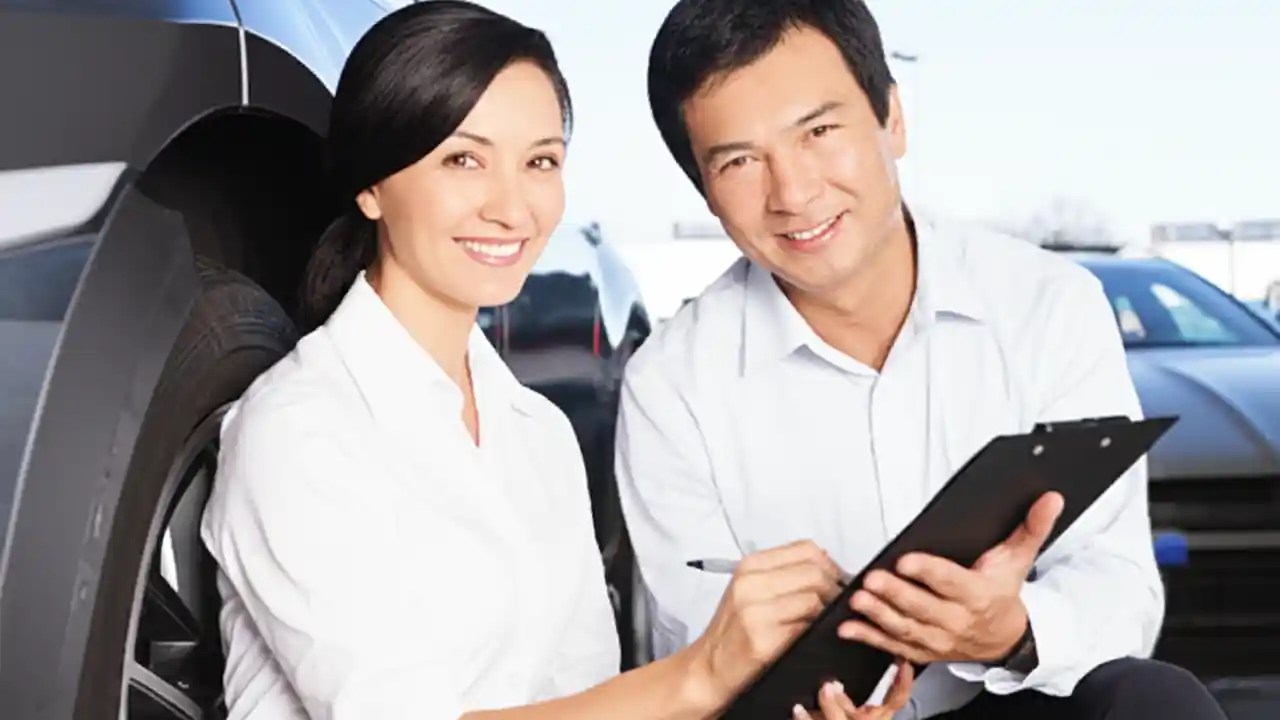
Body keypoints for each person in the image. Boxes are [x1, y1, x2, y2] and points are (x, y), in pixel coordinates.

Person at [199, 2, 912, 719]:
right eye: (464, 159)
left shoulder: (535, 431)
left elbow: (592, 701)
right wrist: (701, 673)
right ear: (372, 185)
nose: (513, 207)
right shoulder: (299, 430)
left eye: (540, 161)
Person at [615, 1, 1229, 719]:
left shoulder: (1047, 306)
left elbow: (1119, 585)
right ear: (705, 189)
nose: (793, 193)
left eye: (819, 131)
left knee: (1154, 699)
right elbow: (694, 650)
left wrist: (1010, 631)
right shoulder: (669, 385)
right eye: (741, 161)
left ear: (892, 120)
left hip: (1013, 704)